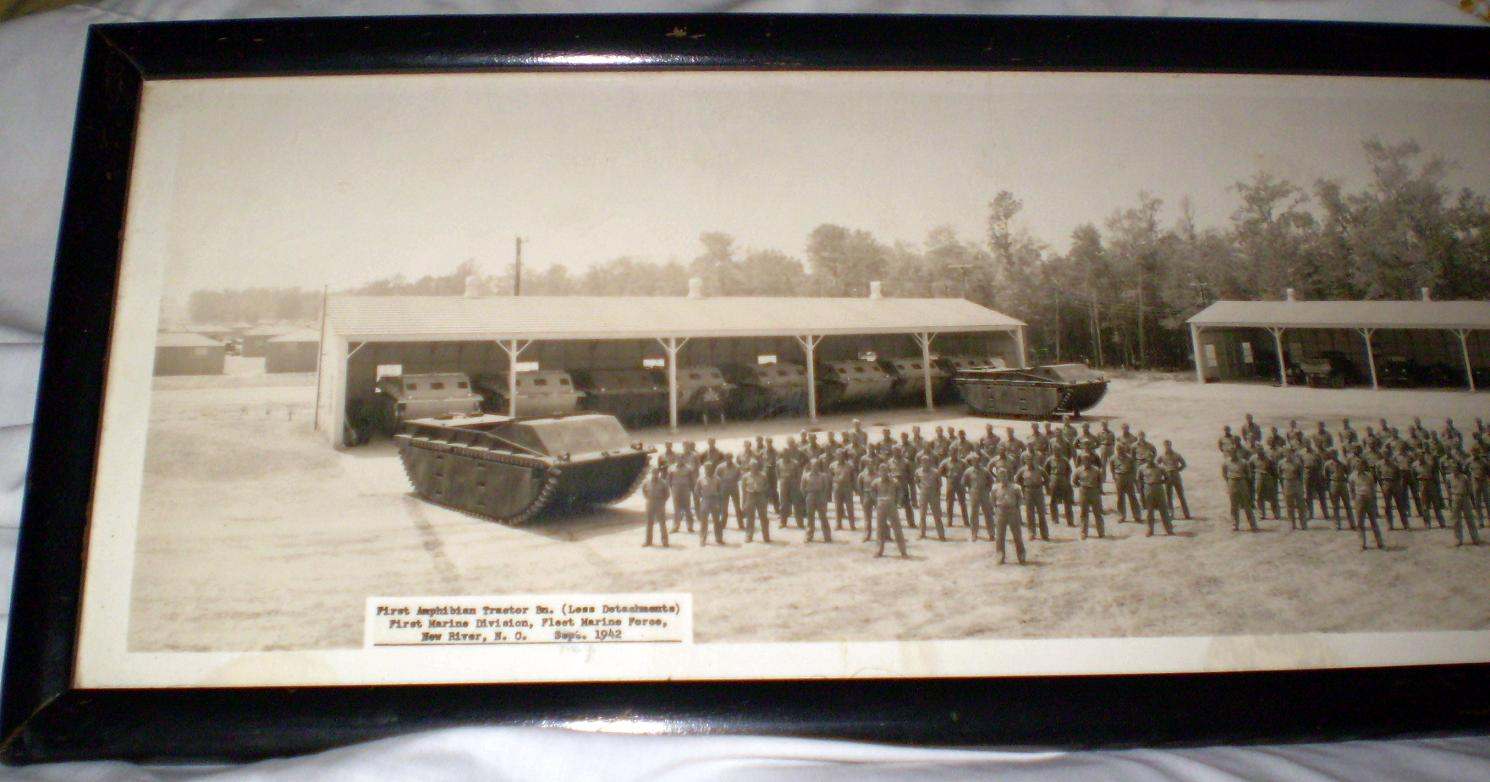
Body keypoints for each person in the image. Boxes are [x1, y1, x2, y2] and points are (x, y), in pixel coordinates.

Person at [872, 465, 909, 558]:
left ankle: (903, 551)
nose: (884, 473)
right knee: (880, 529)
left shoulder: (894, 482)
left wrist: (899, 502)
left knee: (897, 529)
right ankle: (879, 551)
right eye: (882, 471)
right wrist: (876, 502)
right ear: (879, 472)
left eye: (885, 471)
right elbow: (872, 492)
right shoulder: (876, 482)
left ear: (888, 471)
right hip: (881, 507)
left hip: (892, 506)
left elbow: (900, 492)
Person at [991, 473, 1027, 565]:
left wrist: (1015, 507)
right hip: (1000, 512)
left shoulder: (1016, 487)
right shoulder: (995, 488)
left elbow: (1020, 499)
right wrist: (998, 507)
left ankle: (1021, 555)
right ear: (999, 477)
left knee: (1017, 535)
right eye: (1001, 476)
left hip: (1012, 512)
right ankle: (1000, 555)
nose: (1003, 478)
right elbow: (992, 500)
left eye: (1005, 476)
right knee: (999, 536)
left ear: (1008, 477)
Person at [1350, 461, 1385, 550]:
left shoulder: (1369, 475)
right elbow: (1351, 489)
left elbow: (1373, 488)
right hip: (1359, 499)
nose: (1360, 467)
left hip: (1369, 499)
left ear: (1364, 466)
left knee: (1373, 521)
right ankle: (1362, 543)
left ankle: (1379, 542)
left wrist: (1373, 500)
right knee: (1360, 522)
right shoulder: (1352, 476)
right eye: (1357, 466)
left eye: (1361, 465)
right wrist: (1355, 500)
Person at [1445, 462, 1482, 547]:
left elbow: (1469, 489)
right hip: (1455, 498)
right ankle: (1458, 539)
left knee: (1469, 519)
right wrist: (1450, 499)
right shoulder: (1449, 477)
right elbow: (1448, 489)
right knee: (1456, 520)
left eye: (1456, 468)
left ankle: (1475, 538)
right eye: (1452, 468)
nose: (1454, 470)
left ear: (1459, 468)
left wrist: (1469, 499)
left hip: (1464, 498)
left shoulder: (1464, 477)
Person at [1138, 456, 1174, 536]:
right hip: (1148, 489)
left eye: (1151, 458)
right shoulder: (1141, 468)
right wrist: (1141, 494)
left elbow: (1168, 478)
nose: (1150, 460)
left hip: (1159, 489)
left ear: (1153, 458)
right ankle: (1150, 530)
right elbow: (1139, 480)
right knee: (1149, 511)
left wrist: (1161, 482)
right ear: (1146, 459)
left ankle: (1169, 529)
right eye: (1148, 459)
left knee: (1163, 510)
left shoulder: (1160, 468)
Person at [1222, 450, 1258, 532]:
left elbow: (1248, 474)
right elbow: (1224, 474)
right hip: (1232, 482)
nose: (1232, 454)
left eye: (1234, 452)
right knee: (1234, 505)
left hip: (1242, 482)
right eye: (1230, 453)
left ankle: (1252, 524)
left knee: (1247, 505)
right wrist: (1230, 481)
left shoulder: (1243, 462)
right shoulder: (1226, 463)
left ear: (1237, 453)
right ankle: (1235, 524)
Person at [1016, 454, 1050, 541]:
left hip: (1038, 491)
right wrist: (1023, 487)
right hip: (1028, 492)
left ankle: (1044, 533)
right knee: (1029, 513)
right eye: (1027, 460)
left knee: (1041, 513)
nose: (1029, 461)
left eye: (1031, 459)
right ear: (1025, 461)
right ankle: (1031, 533)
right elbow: (1017, 479)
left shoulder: (1039, 469)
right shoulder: (1022, 470)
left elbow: (1046, 478)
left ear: (1034, 460)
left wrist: (1041, 484)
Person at [801, 459, 833, 543]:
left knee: (823, 517)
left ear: (819, 466)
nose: (815, 467)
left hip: (820, 497)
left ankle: (827, 536)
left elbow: (826, 488)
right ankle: (809, 535)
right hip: (810, 496)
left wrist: (824, 498)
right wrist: (807, 496)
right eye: (813, 465)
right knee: (810, 517)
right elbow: (802, 488)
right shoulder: (806, 476)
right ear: (810, 466)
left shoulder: (823, 476)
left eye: (817, 465)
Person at [915, 456, 946, 541]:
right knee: (922, 515)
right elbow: (917, 482)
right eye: (923, 461)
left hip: (933, 495)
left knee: (937, 515)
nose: (925, 463)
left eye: (927, 461)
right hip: (923, 494)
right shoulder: (918, 472)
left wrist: (935, 493)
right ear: (921, 463)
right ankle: (922, 533)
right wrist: (922, 489)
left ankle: (941, 535)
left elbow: (940, 484)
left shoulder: (935, 472)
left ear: (930, 462)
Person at [1157, 440, 1190, 520]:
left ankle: (1186, 514)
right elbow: (1156, 464)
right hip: (1167, 477)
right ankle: (1171, 514)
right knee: (1168, 496)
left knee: (1181, 495)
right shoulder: (1162, 456)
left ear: (1170, 445)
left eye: (1168, 445)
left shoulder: (1176, 455)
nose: (1167, 447)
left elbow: (1184, 464)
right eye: (1165, 445)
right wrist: (1162, 472)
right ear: (1164, 446)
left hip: (1176, 477)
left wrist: (1177, 470)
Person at [1324, 450, 1356, 530]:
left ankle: (1352, 524)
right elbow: (1325, 476)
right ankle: (1337, 524)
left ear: (1337, 454)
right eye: (1332, 454)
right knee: (1335, 506)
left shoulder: (1342, 464)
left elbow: (1348, 473)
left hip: (1342, 484)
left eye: (1335, 454)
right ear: (1330, 455)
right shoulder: (1327, 464)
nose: (1333, 455)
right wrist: (1328, 486)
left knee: (1347, 505)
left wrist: (1346, 480)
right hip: (1333, 484)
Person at [740, 462, 771, 543]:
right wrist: (744, 503)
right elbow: (743, 490)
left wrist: (763, 492)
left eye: (756, 466)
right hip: (750, 496)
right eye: (752, 467)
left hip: (760, 496)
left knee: (763, 517)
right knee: (750, 517)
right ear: (750, 467)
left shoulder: (763, 475)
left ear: (758, 467)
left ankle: (766, 536)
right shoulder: (745, 476)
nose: (754, 468)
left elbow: (767, 486)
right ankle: (749, 536)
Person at [695, 463, 726, 546]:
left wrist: (719, 500)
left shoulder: (717, 479)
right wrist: (703, 496)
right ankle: (702, 539)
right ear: (704, 469)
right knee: (704, 521)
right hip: (705, 500)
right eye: (707, 468)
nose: (708, 470)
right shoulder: (701, 479)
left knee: (717, 521)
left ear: (713, 469)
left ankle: (719, 538)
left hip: (714, 500)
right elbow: (697, 490)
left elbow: (720, 490)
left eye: (710, 468)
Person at [1075, 456, 1105, 539]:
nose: (1086, 463)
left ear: (1091, 461)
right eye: (1084, 461)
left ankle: (1101, 532)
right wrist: (1082, 487)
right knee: (1084, 513)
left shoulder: (1096, 470)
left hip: (1094, 492)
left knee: (1097, 513)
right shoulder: (1079, 470)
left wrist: (1097, 489)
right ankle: (1083, 532)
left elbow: (1100, 481)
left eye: (1088, 461)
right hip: (1084, 493)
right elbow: (1074, 481)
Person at [963, 458, 993, 542]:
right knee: (974, 514)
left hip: (984, 494)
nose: (976, 463)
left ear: (980, 462)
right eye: (974, 461)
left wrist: (987, 490)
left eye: (977, 461)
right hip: (974, 494)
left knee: (988, 513)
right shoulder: (968, 471)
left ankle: (991, 533)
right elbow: (964, 482)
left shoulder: (985, 471)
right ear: (972, 462)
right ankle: (974, 533)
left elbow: (991, 481)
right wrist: (970, 490)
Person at [1045, 449, 1076, 527]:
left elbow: (1069, 470)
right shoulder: (1049, 460)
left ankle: (1070, 521)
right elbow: (1046, 471)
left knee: (1067, 501)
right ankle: (1054, 519)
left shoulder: (1064, 460)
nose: (1057, 452)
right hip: (1053, 480)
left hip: (1063, 480)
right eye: (1055, 451)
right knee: (1053, 501)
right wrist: (1050, 479)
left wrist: (1066, 479)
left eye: (1058, 451)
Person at [1110, 445, 1141, 522]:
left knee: (1132, 497)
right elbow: (1112, 469)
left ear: (1124, 449)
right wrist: (1115, 477)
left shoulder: (1130, 458)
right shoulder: (1113, 458)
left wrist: (1133, 479)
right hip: (1119, 477)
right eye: (1118, 449)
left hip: (1128, 477)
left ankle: (1137, 515)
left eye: (1121, 449)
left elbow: (1134, 469)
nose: (1120, 451)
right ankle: (1122, 515)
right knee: (1120, 498)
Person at [642, 466, 670, 547]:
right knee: (649, 523)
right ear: (651, 473)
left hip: (659, 503)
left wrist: (662, 502)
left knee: (662, 523)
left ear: (659, 473)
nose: (655, 474)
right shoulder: (646, 482)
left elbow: (667, 494)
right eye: (653, 473)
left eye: (656, 473)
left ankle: (665, 541)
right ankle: (648, 541)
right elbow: (644, 492)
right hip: (650, 502)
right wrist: (648, 498)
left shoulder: (663, 483)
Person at [1278, 450, 1307, 530]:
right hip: (1287, 483)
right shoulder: (1281, 463)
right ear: (1284, 454)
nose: (1288, 455)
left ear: (1292, 453)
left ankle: (1303, 524)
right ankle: (1292, 524)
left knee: (1301, 505)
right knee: (1289, 505)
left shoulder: (1297, 463)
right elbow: (1280, 473)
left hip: (1296, 483)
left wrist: (1300, 485)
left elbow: (1301, 475)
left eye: (1290, 453)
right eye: (1286, 453)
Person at [668, 457, 696, 534]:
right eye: (678, 459)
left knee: (687, 508)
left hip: (685, 489)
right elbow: (669, 479)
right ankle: (675, 526)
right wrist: (672, 488)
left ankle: (690, 526)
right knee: (676, 508)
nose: (680, 460)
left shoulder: (688, 468)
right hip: (676, 489)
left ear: (684, 459)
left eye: (681, 459)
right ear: (676, 460)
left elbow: (692, 479)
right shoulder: (672, 468)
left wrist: (692, 489)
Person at [831, 452, 857, 530]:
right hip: (837, 487)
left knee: (849, 506)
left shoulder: (850, 466)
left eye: (841, 455)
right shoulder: (832, 465)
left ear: (844, 456)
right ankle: (838, 524)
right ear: (836, 456)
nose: (840, 457)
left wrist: (854, 487)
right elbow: (831, 476)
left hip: (847, 487)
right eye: (838, 455)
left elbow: (853, 477)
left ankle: (852, 524)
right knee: (838, 506)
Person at [716, 454, 743, 529]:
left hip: (734, 487)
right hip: (724, 487)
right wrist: (721, 483)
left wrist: (734, 481)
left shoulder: (737, 466)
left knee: (737, 507)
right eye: (727, 458)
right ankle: (723, 524)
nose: (729, 459)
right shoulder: (720, 467)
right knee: (724, 507)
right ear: (725, 458)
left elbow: (740, 476)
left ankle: (741, 524)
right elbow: (716, 476)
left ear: (732, 458)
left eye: (730, 458)